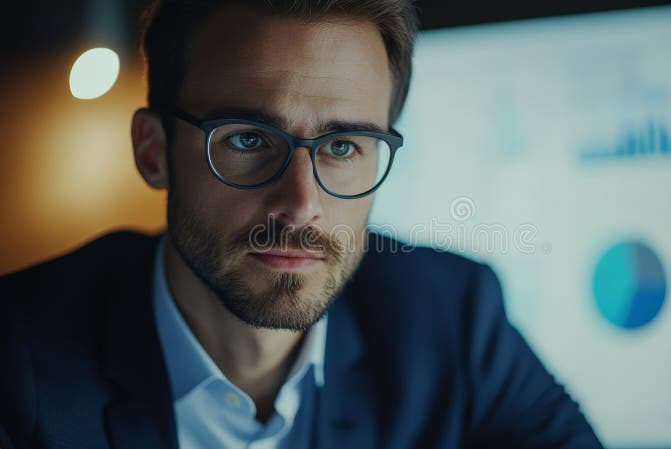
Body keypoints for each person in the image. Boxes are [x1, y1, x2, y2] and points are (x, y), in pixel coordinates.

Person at [0, 0, 603, 447]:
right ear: (153, 151)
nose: (300, 204)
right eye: (247, 139)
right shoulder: (18, 360)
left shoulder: (452, 319)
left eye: (342, 146)